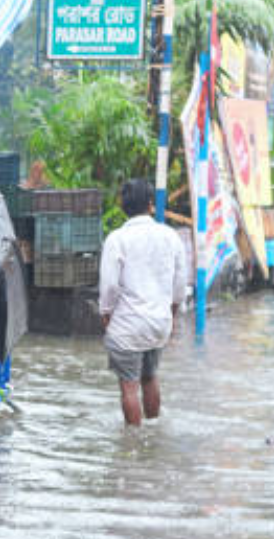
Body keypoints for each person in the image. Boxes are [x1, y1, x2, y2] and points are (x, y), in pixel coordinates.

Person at [98, 178, 187, 426]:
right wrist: (172, 310)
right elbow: (180, 283)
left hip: (127, 325)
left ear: (123, 206)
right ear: (150, 205)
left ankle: (134, 442)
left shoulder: (117, 239)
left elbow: (109, 285)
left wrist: (105, 312)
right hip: (159, 323)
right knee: (150, 377)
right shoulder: (170, 236)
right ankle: (153, 429)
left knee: (129, 387)